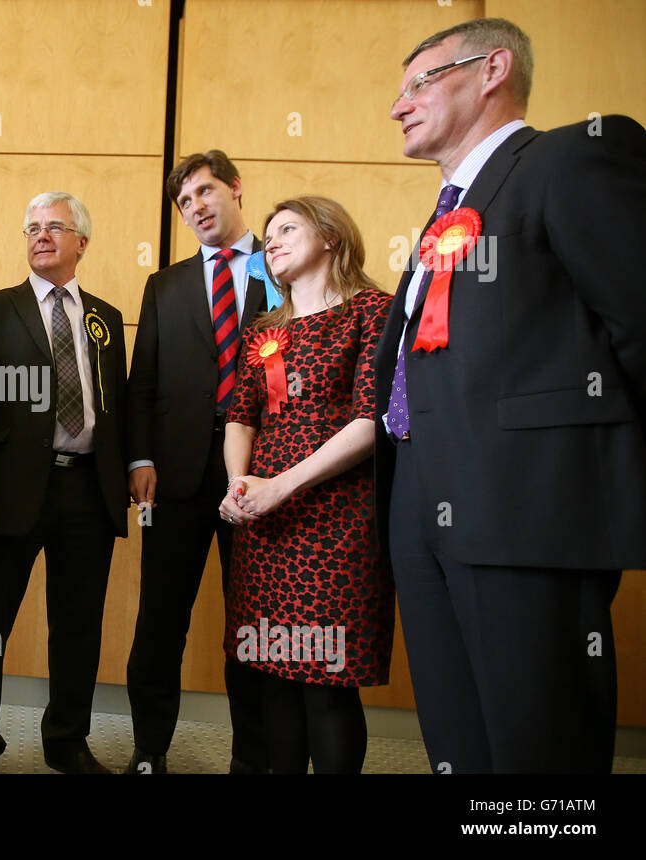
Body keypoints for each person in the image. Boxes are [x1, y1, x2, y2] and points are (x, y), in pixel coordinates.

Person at [375, 18, 646, 773]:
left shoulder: (571, 157)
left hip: (526, 498)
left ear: (493, 69)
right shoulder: (446, 210)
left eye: (419, 82)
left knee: (538, 741)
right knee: (456, 733)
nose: (399, 105)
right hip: (417, 493)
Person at [0, 192, 128, 774]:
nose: (41, 236)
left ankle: (66, 742)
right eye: (31, 228)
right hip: (11, 491)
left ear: (82, 242)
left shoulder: (104, 318)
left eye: (55, 227)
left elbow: (117, 409)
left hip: (87, 492)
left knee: (78, 626)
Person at [218, 196, 393, 774]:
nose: (273, 241)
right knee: (272, 676)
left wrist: (281, 486)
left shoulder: (373, 311)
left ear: (332, 237)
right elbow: (241, 417)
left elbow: (372, 421)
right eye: (268, 236)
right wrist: (241, 484)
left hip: (337, 520)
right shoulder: (266, 330)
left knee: (326, 682)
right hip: (264, 523)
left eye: (288, 229)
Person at [125, 150, 269, 773]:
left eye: (206, 192)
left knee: (254, 625)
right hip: (175, 475)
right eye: (185, 203)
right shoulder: (166, 284)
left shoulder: (286, 264)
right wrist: (140, 457)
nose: (197, 208)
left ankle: (253, 757)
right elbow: (143, 383)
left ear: (236, 189)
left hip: (263, 473)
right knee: (161, 620)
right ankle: (150, 750)